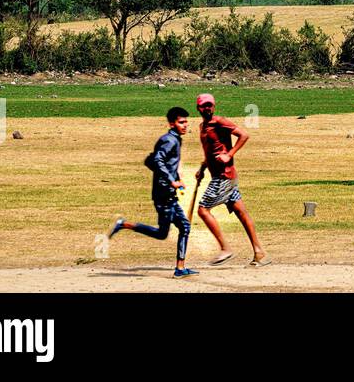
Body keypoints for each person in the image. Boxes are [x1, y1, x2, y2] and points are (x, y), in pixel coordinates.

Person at [109, 106, 198, 278]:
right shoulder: (169, 140)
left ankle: (180, 268)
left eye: (187, 122)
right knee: (167, 232)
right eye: (181, 122)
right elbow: (157, 160)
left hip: (167, 193)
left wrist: (177, 178)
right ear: (172, 123)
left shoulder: (176, 139)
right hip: (163, 195)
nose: (185, 125)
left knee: (179, 228)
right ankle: (124, 224)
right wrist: (171, 181)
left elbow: (157, 161)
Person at [194, 93, 269, 266]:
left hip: (224, 176)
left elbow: (244, 135)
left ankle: (225, 249)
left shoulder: (220, 122)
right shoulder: (202, 126)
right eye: (204, 106)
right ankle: (260, 253)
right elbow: (211, 152)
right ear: (198, 108)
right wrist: (202, 168)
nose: (207, 108)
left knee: (203, 210)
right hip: (222, 176)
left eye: (210, 105)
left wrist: (230, 154)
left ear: (214, 106)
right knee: (241, 212)